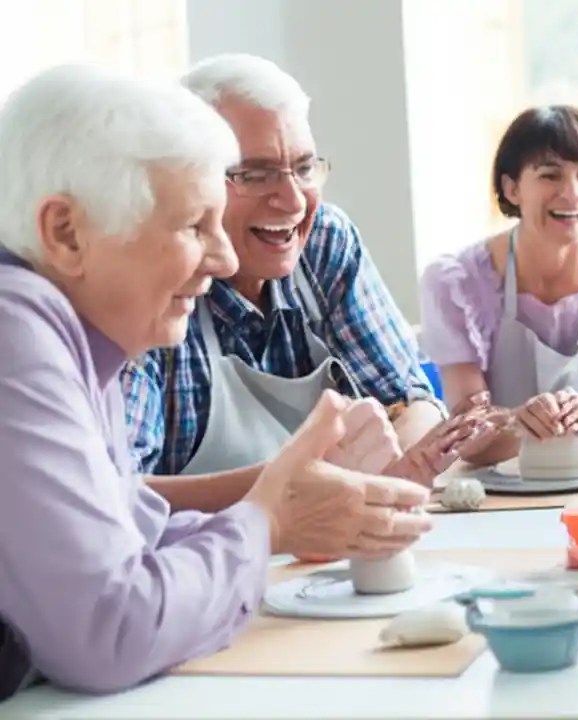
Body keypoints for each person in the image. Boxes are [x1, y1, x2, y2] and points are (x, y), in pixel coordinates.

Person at [0, 65, 433, 698]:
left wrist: (286, 517)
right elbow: (111, 632)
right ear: (66, 233)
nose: (225, 259)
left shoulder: (90, 338)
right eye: (193, 227)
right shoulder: (16, 331)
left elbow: (136, 534)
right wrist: (268, 519)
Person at [121, 54, 482, 513]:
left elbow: (411, 402)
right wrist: (302, 480)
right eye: (254, 173)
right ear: (188, 183)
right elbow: (117, 499)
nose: (292, 200)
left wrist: (393, 469)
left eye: (304, 168)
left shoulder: (324, 243)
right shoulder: (151, 285)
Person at [419, 106, 578, 464]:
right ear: (511, 188)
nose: (572, 194)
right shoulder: (455, 283)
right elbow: (467, 437)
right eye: (550, 175)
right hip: (495, 489)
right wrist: (516, 423)